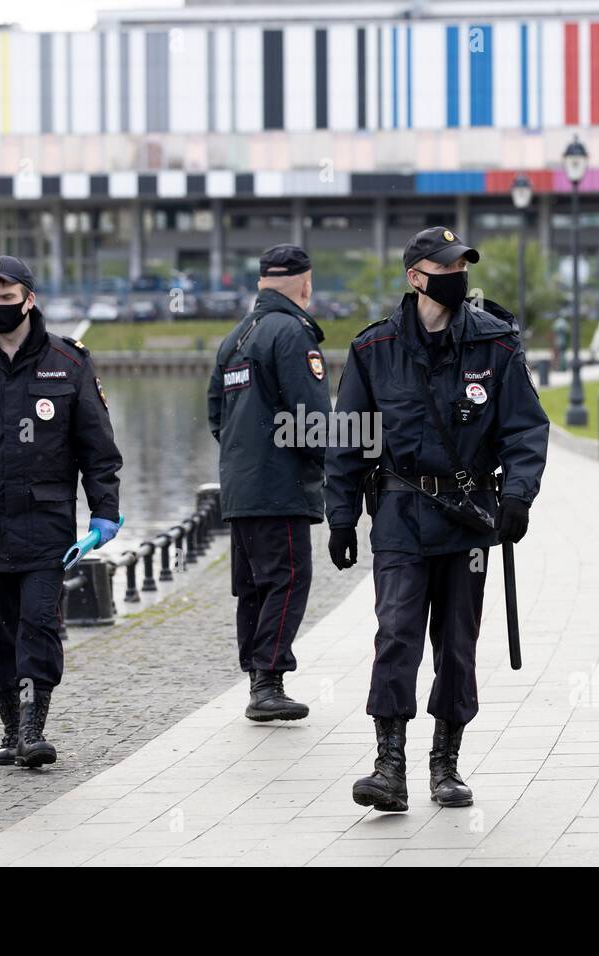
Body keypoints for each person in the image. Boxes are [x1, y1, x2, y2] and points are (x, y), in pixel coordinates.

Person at [324, 226, 549, 811]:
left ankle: (445, 763)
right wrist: (342, 518)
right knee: (395, 636)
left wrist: (519, 497)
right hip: (399, 515)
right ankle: (389, 765)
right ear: (415, 277)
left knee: (457, 645)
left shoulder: (496, 345)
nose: (459, 275)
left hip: (469, 520)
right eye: (446, 266)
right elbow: (347, 440)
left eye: (463, 265)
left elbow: (525, 427)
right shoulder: (373, 350)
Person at [0, 255, 124, 768]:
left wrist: (105, 512)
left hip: (48, 525)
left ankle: (34, 730)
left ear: (29, 299)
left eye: (6, 299)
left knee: (37, 625)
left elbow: (97, 448)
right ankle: (10, 730)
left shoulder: (68, 363)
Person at [207, 244, 331, 721]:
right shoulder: (292, 333)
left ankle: (259, 679)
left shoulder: (236, 337)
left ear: (261, 283)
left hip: (241, 488)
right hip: (280, 487)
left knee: (256, 585)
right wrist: (336, 466)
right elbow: (311, 417)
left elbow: (216, 417)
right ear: (305, 284)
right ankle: (268, 681)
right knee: (288, 578)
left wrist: (248, 456)